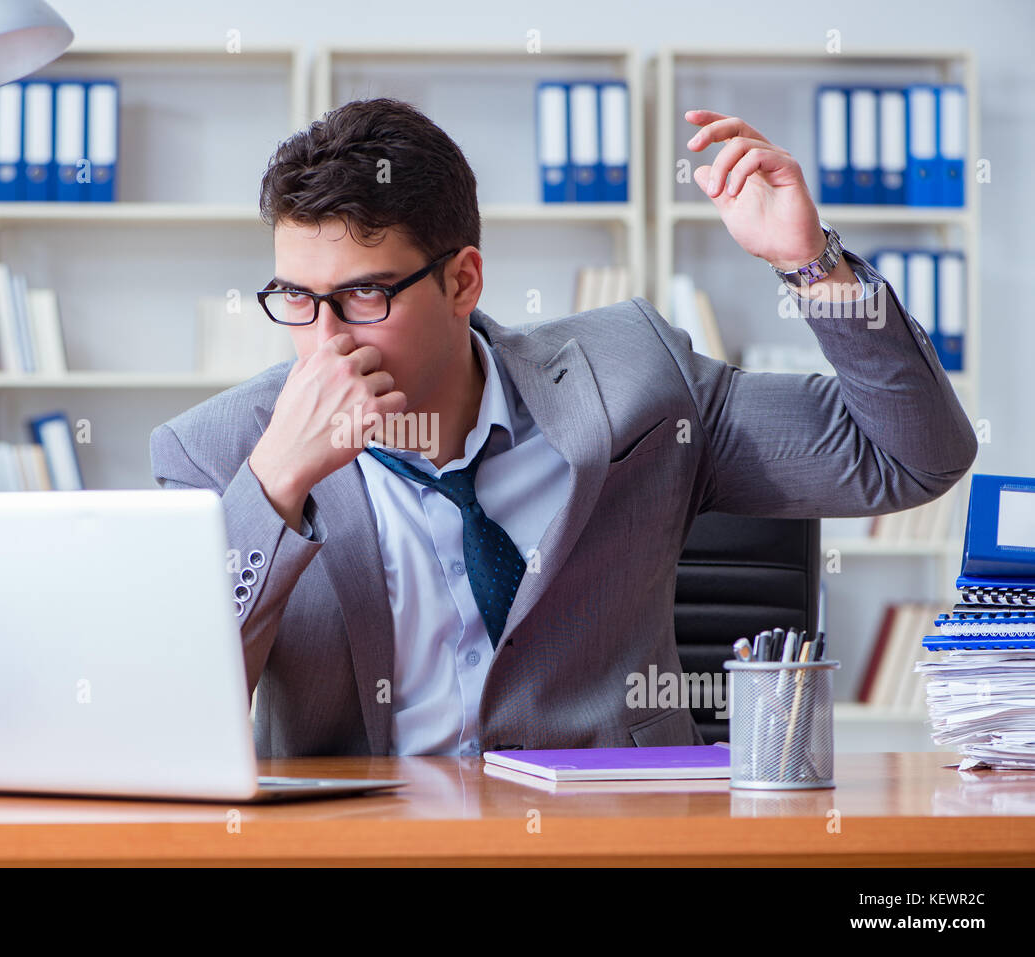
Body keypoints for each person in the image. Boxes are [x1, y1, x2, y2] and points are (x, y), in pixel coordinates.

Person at [150, 97, 977, 757]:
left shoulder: (634, 382)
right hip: (364, 854)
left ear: (463, 280)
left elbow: (914, 456)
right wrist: (274, 485)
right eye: (295, 298)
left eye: (365, 295)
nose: (325, 340)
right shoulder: (220, 452)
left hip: (613, 844)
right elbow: (169, 721)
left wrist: (812, 267)